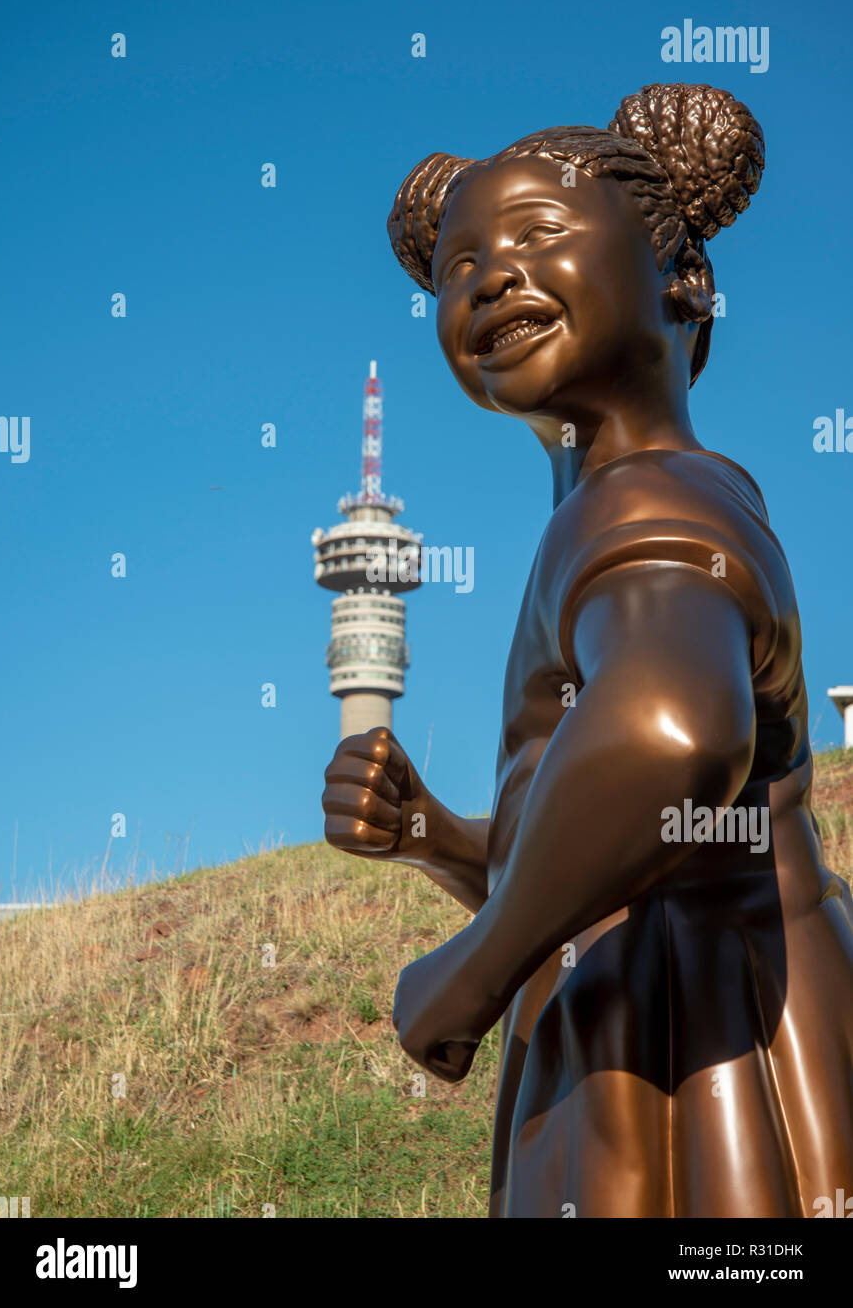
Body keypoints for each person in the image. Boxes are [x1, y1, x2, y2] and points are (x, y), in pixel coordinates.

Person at [322, 83, 853, 1217]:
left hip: (692, 1059)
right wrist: (442, 837)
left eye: (539, 237)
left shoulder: (645, 496)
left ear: (684, 279)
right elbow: (630, 843)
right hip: (677, 1031)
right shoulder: (636, 507)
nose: (490, 275)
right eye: (459, 264)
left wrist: (468, 974)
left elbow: (670, 737)